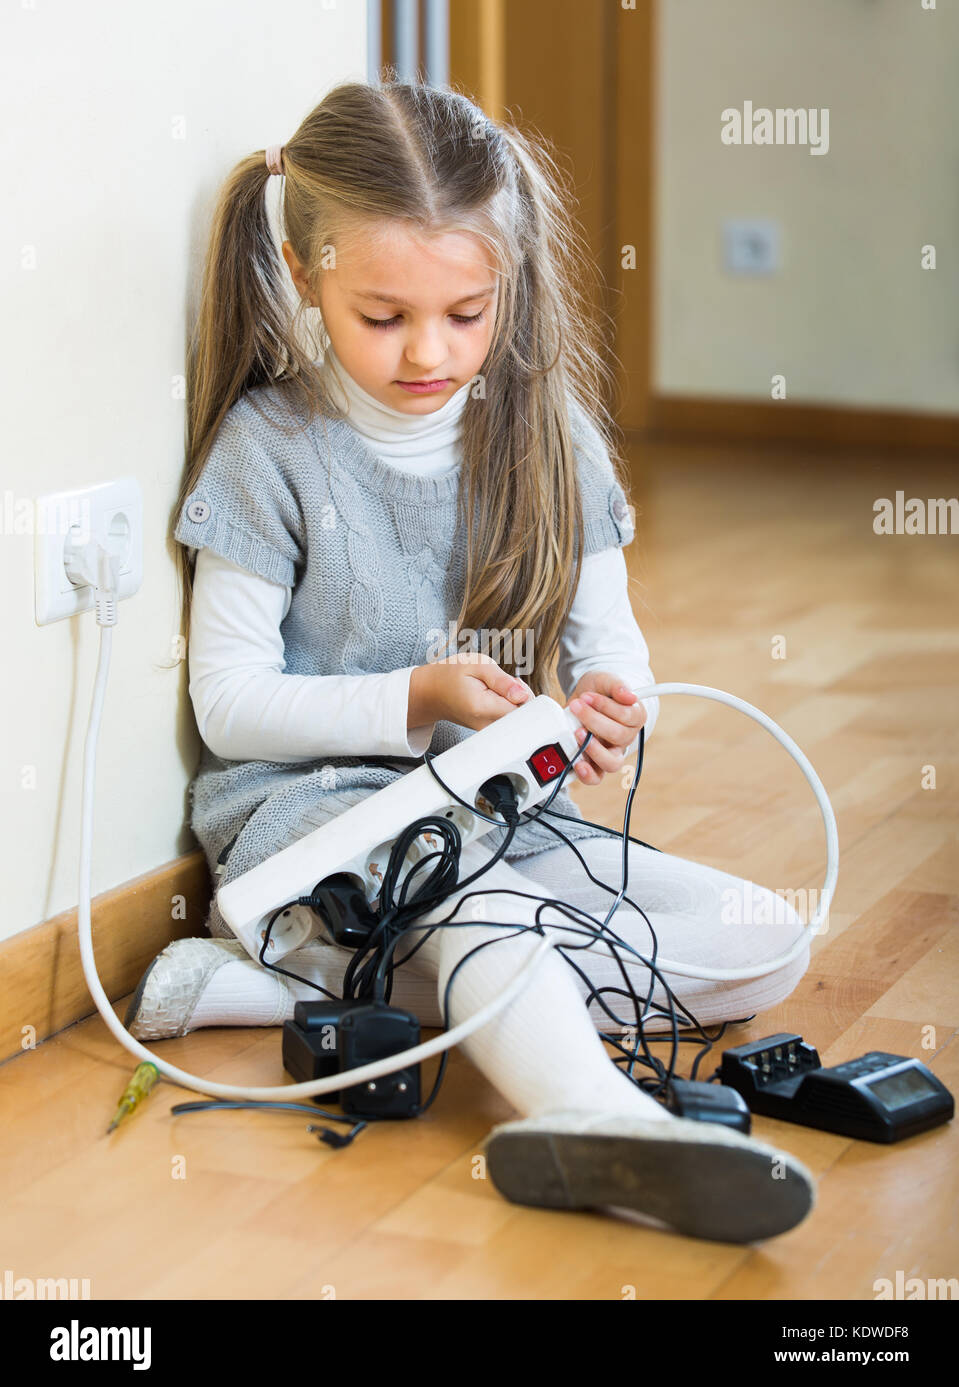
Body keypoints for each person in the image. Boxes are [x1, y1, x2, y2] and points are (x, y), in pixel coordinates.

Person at [135, 78, 815, 1243]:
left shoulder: (550, 435)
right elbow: (231, 707)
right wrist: (419, 697)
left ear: (507, 283)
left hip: (498, 814)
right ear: (305, 280)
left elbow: (615, 655)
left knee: (766, 939)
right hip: (321, 822)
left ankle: (296, 988)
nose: (428, 352)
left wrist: (615, 707)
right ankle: (597, 1120)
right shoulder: (270, 451)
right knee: (495, 920)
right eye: (382, 315)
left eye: (465, 312)